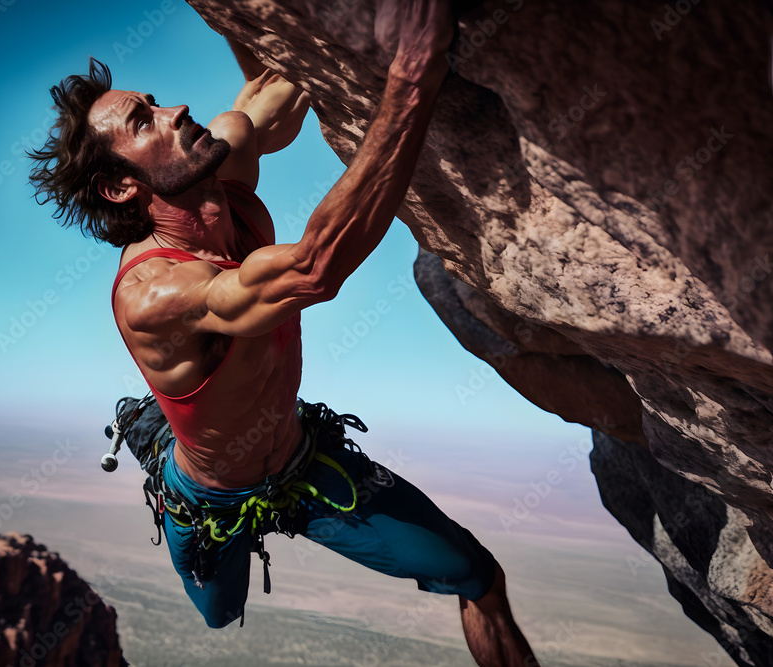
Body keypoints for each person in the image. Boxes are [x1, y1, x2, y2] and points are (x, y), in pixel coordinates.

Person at [29, 2, 538, 664]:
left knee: (479, 576)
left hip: (300, 460)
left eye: (154, 101)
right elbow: (314, 268)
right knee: (221, 612)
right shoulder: (155, 295)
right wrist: (413, 75)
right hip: (210, 499)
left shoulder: (225, 149)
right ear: (121, 187)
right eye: (143, 121)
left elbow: (284, 79)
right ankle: (155, 439)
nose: (176, 109)